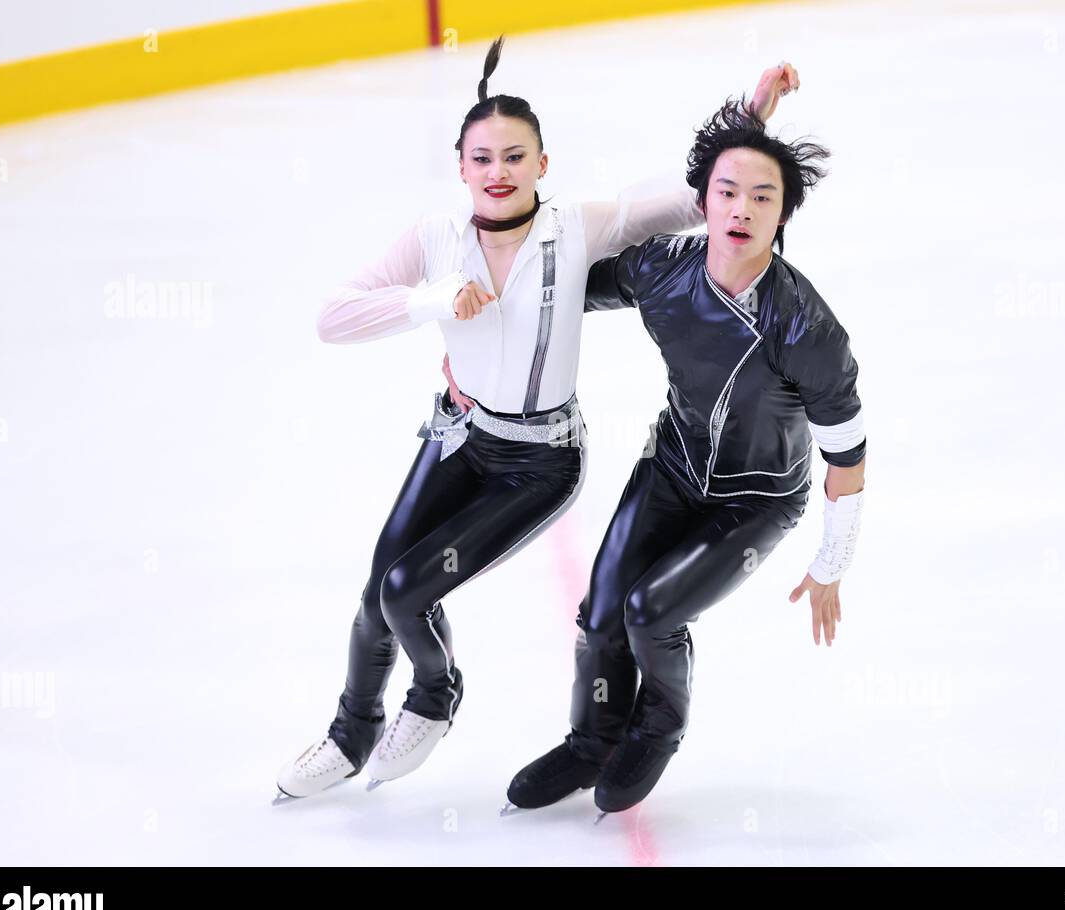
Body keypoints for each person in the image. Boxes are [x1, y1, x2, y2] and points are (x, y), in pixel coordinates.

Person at [274, 38, 798, 799]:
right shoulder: (436, 239)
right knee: (375, 593)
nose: (499, 171)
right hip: (459, 436)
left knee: (405, 590)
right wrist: (431, 301)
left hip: (539, 463)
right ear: (460, 167)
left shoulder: (575, 228)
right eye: (483, 158)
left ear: (542, 164)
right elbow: (333, 317)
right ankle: (351, 732)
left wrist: (751, 115)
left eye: (515, 157)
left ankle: (434, 696)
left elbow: (692, 199)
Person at [501, 92, 868, 815]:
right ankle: (591, 740)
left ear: (783, 215)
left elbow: (848, 454)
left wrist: (833, 561)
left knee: (650, 613)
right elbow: (561, 290)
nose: (741, 209)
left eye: (762, 197)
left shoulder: (806, 328)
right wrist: (477, 322)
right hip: (672, 465)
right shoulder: (661, 270)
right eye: (726, 192)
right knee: (602, 613)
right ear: (702, 202)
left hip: (756, 500)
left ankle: (657, 727)